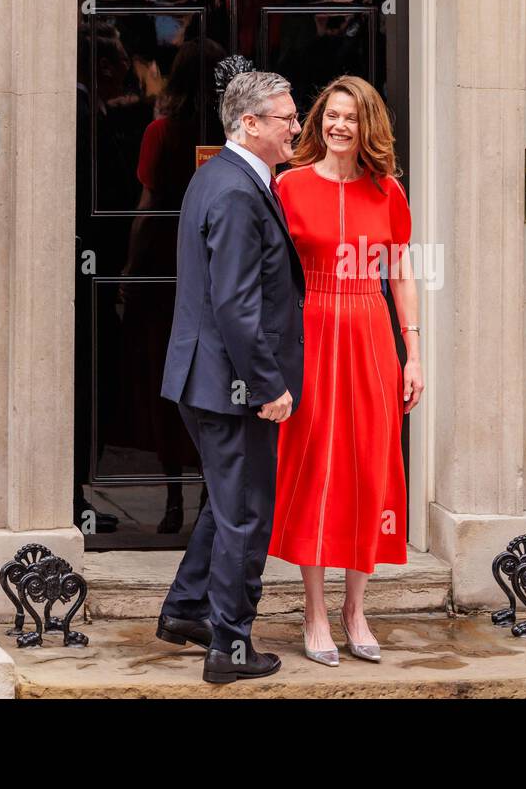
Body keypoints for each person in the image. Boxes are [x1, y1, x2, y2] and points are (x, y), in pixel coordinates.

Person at [268, 75, 424, 666]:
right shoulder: (288, 186)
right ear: (317, 123)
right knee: (313, 467)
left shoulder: (388, 193)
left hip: (370, 336)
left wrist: (414, 352)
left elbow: (400, 273)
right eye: (331, 116)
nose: (339, 126)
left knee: (367, 467)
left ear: (368, 127)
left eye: (351, 118)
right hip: (309, 334)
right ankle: (314, 612)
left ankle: (356, 609)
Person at [155, 70, 305, 684]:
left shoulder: (217, 175)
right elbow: (237, 305)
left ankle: (188, 611)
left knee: (225, 503)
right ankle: (231, 646)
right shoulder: (240, 190)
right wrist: (268, 385)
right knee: (246, 511)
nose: (297, 126)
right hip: (230, 383)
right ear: (250, 123)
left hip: (204, 378)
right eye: (286, 117)